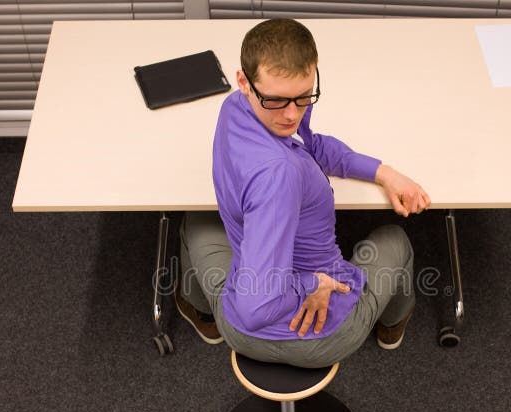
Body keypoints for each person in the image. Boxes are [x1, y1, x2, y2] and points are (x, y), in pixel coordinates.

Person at [175, 18, 430, 368]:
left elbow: (311, 145)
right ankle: (390, 328)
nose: (292, 114)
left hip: (236, 326)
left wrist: (383, 172)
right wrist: (311, 283)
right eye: (278, 101)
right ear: (243, 82)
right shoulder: (278, 175)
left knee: (193, 224)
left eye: (304, 96)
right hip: (318, 335)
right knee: (397, 239)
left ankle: (203, 315)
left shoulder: (237, 107)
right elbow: (256, 309)